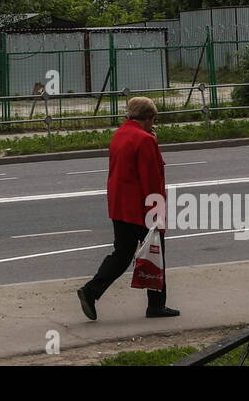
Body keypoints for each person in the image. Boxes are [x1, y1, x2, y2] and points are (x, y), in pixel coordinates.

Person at [76, 95, 180, 320]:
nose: (153, 125)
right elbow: (151, 179)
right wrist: (156, 214)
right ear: (148, 118)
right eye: (153, 120)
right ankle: (156, 306)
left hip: (120, 206)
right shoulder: (145, 140)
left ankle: (91, 291)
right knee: (156, 253)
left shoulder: (120, 134)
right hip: (142, 209)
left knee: (122, 254)